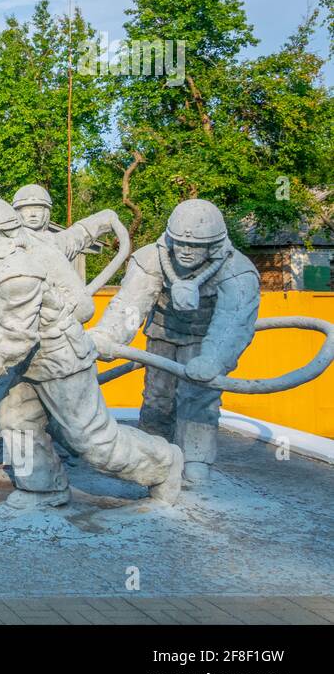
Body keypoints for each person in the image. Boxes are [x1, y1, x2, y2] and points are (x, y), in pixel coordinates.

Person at [0, 207, 183, 508]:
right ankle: (44, 489)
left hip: (61, 363)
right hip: (32, 364)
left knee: (94, 442)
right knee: (14, 418)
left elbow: (14, 340)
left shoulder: (14, 276)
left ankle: (166, 463)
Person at [89, 199, 259, 485]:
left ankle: (195, 459)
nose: (186, 250)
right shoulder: (151, 259)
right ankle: (152, 454)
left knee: (199, 397)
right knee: (158, 396)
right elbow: (131, 304)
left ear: (214, 244)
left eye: (195, 245)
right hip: (161, 334)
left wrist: (213, 359)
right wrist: (110, 335)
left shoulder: (238, 272)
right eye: (180, 243)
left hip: (204, 340)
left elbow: (233, 323)